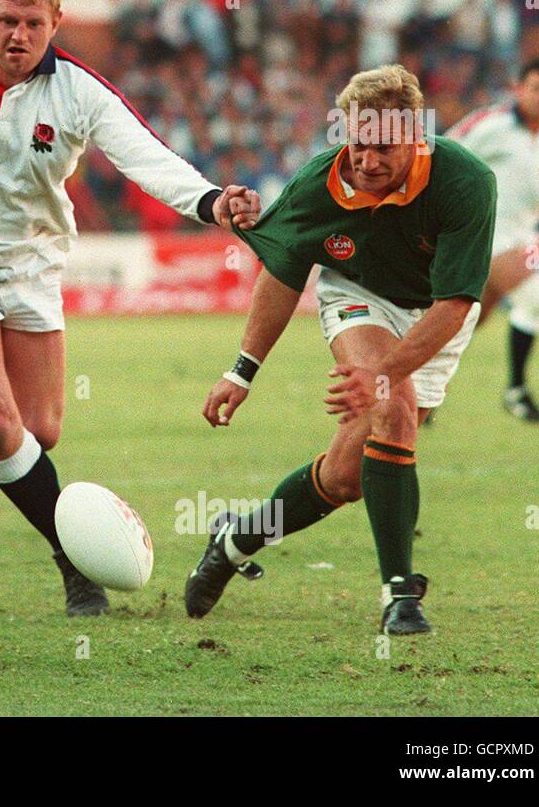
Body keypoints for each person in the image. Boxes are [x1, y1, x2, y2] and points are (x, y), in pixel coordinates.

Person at [0, 0, 261, 616]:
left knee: (38, 430)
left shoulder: (80, 91)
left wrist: (211, 200)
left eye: (33, 24)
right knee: (3, 422)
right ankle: (74, 565)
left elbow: (145, 156)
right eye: (6, 22)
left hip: (32, 268)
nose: (18, 36)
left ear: (55, 26)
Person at [190, 65, 496, 636]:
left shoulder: (466, 182)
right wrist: (242, 372)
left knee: (346, 478)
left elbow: (453, 307)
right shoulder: (320, 182)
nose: (367, 160)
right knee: (395, 406)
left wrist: (383, 373)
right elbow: (282, 271)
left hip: (436, 312)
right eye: (358, 142)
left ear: (415, 139)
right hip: (357, 294)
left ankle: (235, 540)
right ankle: (401, 598)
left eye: (383, 147)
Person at [449, 59, 539, 423]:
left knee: (464, 319)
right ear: (518, 89)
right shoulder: (490, 125)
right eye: (535, 87)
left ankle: (419, 386)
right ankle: (517, 391)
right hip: (482, 231)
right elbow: (443, 155)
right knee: (537, 292)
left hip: (523, 234)